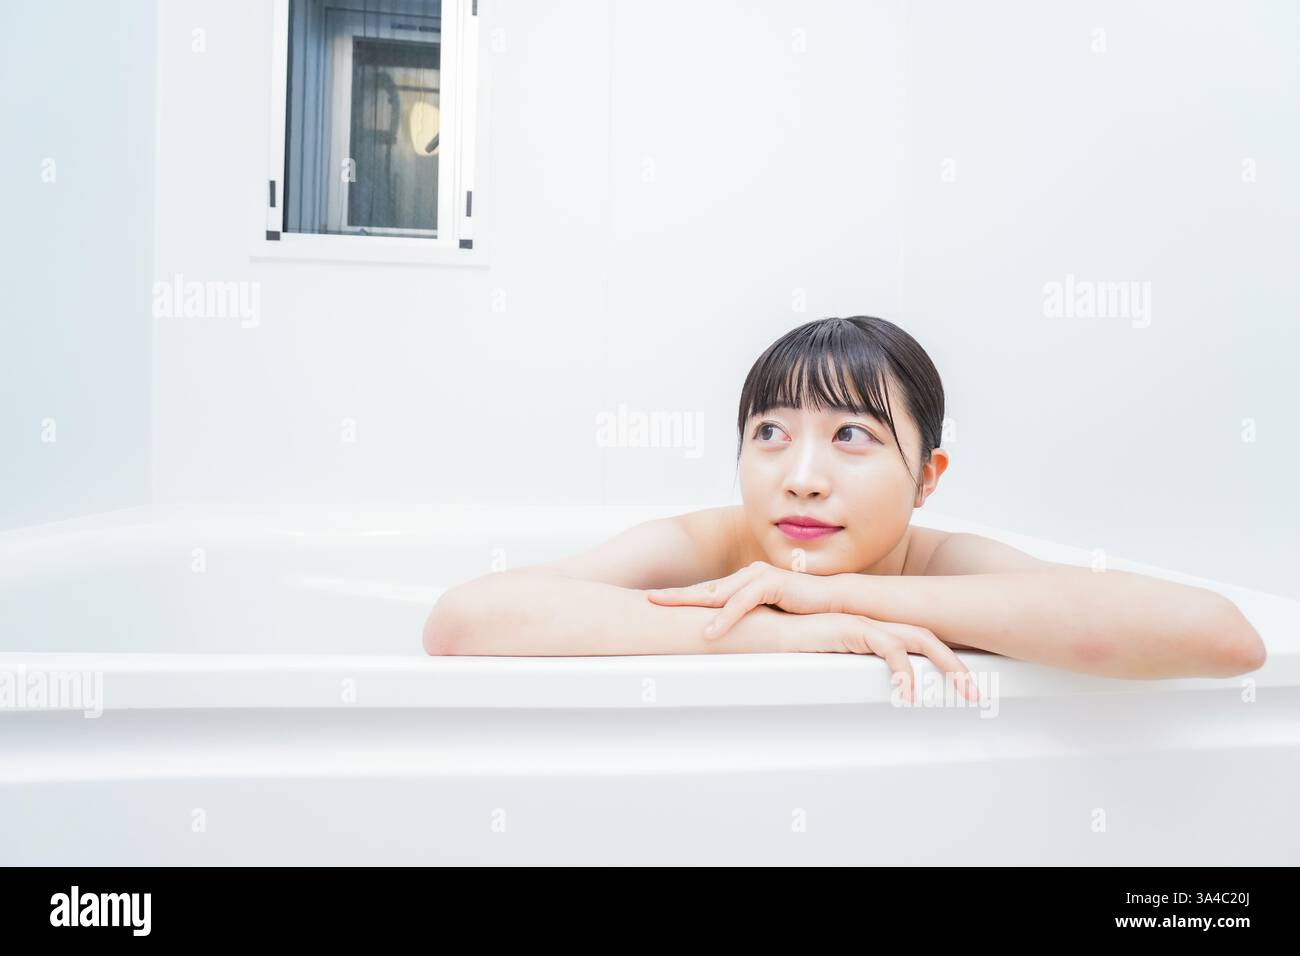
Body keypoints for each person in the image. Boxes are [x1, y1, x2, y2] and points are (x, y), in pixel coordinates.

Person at [422, 316, 1265, 699]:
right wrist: (783, 629)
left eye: (853, 436)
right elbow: (465, 622)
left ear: (928, 476)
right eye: (771, 434)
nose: (802, 476)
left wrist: (835, 593)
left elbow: (1224, 640)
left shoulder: (942, 562)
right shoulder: (708, 541)